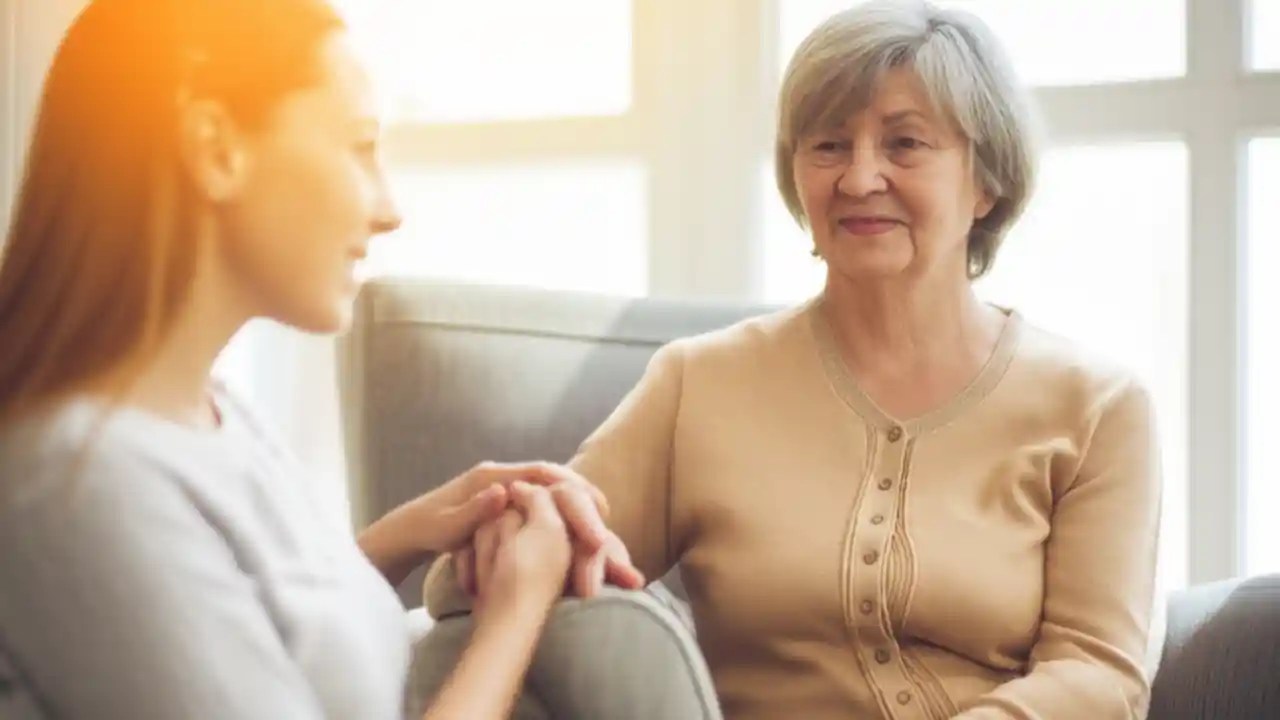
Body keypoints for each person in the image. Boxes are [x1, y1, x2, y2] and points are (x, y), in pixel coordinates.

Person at [429, 1, 1163, 718]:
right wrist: (497, 534)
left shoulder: (1097, 405)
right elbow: (491, 577)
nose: (858, 178)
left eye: (905, 144)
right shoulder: (699, 385)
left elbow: (1099, 672)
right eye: (828, 144)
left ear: (986, 180)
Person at [0, 0, 642, 718]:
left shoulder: (211, 413)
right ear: (215, 148)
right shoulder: (78, 480)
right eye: (359, 147)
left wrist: (410, 531)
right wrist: (516, 611)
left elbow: (245, 632)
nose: (387, 208)